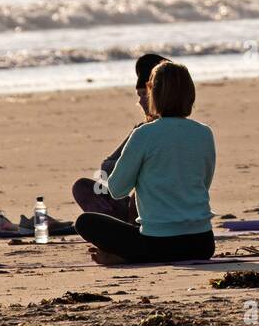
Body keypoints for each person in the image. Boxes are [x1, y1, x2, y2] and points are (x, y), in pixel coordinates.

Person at [77, 60, 216, 264]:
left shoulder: (144, 134)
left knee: (85, 222)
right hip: (202, 243)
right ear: (190, 95)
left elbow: (117, 189)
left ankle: (123, 256)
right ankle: (125, 254)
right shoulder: (204, 133)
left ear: (153, 94)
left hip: (158, 243)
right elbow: (204, 183)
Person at [71, 53, 167, 223]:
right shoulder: (141, 129)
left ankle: (127, 235)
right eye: (139, 96)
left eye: (145, 96)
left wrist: (131, 168)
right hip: (129, 199)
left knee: (141, 193)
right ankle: (117, 229)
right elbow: (106, 167)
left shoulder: (173, 130)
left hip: (159, 206)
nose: (141, 102)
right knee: (83, 187)